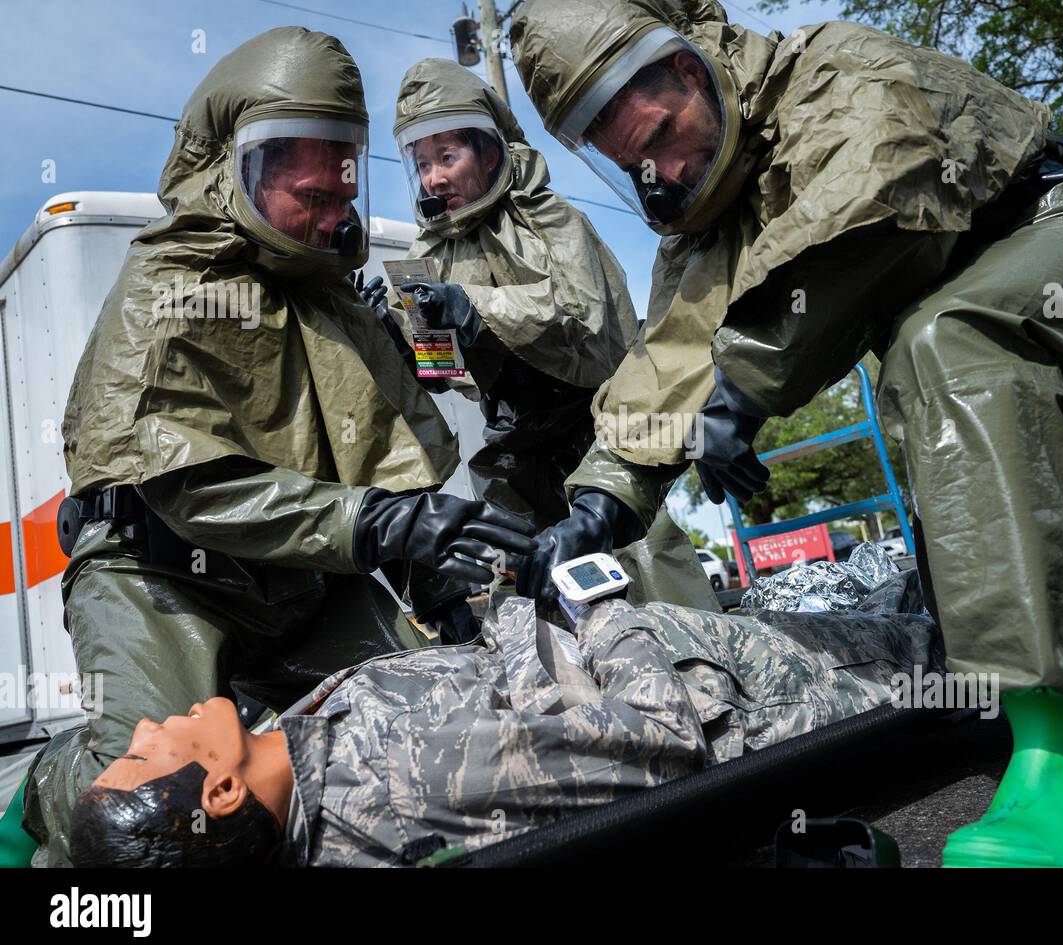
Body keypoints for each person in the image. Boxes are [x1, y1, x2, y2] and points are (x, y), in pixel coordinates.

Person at [505, 0, 1063, 866]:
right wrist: (601, 499)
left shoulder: (836, 72)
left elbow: (866, 209)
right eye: (633, 163)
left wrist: (742, 384)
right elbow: (670, 356)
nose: (660, 171)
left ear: (693, 70)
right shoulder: (709, 209)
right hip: (955, 328)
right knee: (974, 591)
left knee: (944, 343)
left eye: (661, 136)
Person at [13, 28, 537, 868]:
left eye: (343, 189)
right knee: (138, 806)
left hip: (303, 580)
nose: (335, 216)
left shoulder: (334, 300)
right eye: (309, 196)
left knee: (453, 720)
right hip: (159, 573)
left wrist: (435, 574)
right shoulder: (173, 284)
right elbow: (190, 485)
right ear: (240, 171)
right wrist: (383, 525)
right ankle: (52, 778)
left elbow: (395, 466)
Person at [68, 581, 940, 867]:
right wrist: (595, 608)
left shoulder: (298, 747)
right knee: (964, 647)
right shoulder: (402, 777)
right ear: (218, 790)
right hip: (752, 683)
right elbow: (658, 738)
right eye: (146, 756)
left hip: (697, 656)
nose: (147, 725)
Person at [360, 59, 719, 618]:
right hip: (519, 448)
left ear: (488, 150)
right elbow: (441, 377)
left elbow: (585, 317)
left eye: (448, 157)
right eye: (422, 162)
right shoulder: (427, 258)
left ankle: (701, 672)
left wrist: (472, 306)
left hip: (597, 426)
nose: (433, 178)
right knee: (523, 588)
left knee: (643, 565)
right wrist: (389, 335)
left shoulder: (549, 221)